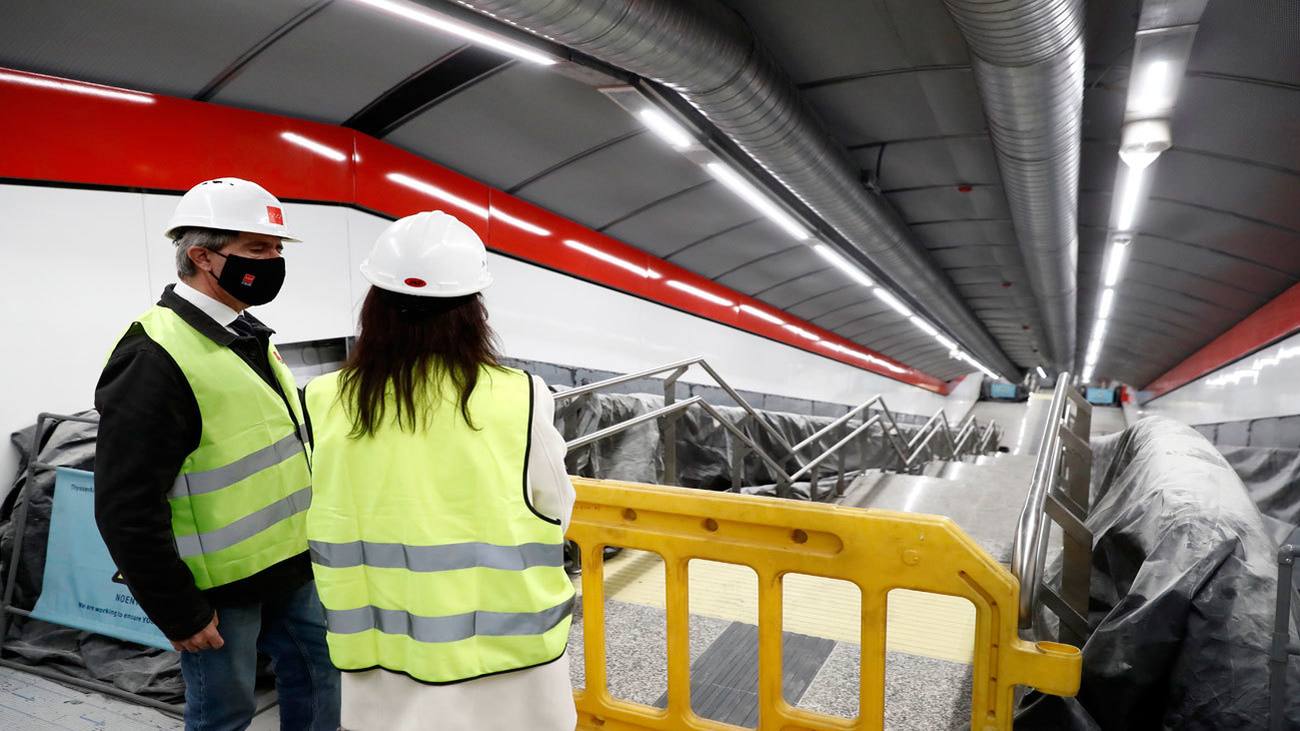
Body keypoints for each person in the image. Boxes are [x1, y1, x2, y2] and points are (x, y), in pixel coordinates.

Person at [303, 210, 577, 731]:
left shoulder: (323, 400)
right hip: (508, 666)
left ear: (374, 306)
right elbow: (554, 512)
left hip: (382, 662)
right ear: (473, 310)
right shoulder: (519, 396)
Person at [94, 178, 340, 731]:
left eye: (277, 249)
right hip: (218, 590)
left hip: (290, 566)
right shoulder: (154, 356)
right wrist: (177, 608)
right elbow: (125, 504)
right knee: (224, 712)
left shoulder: (247, 333)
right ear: (202, 256)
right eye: (258, 249)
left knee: (321, 677)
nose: (274, 261)